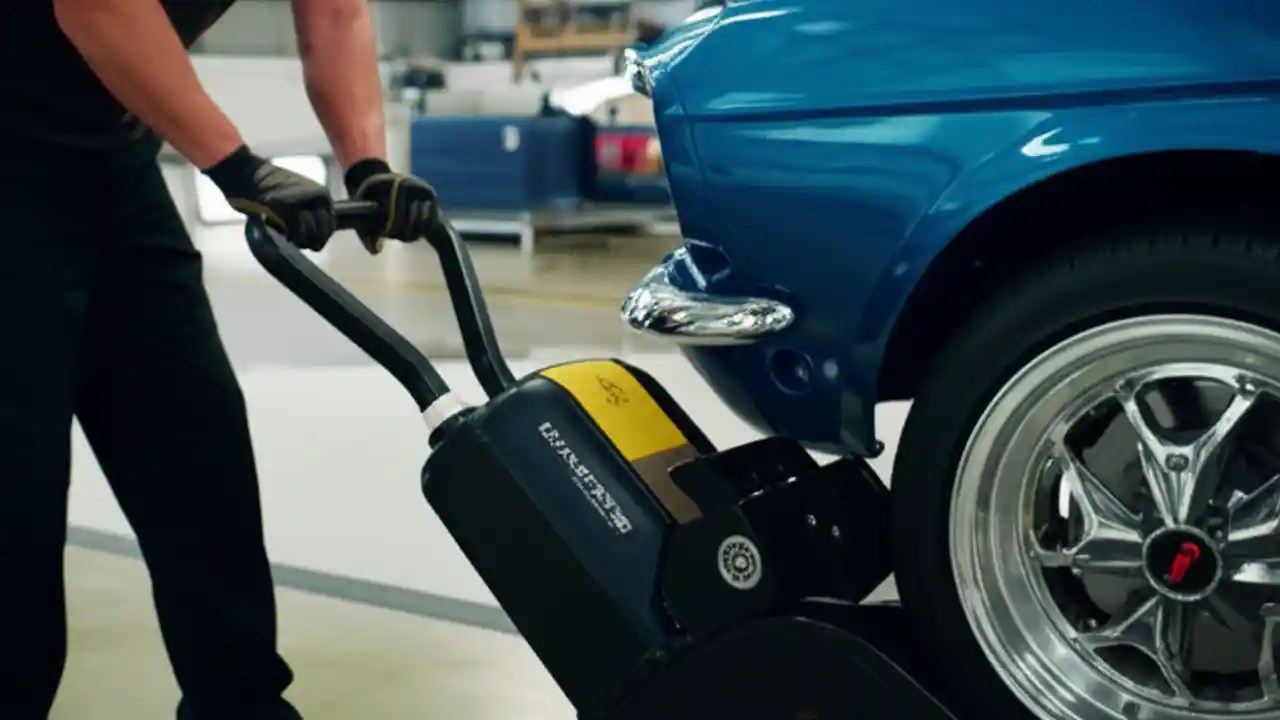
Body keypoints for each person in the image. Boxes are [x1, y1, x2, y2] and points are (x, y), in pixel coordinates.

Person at [0, 2, 437, 718]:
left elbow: (334, 13)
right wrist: (238, 167)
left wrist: (367, 166)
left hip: (112, 168)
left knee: (198, 463)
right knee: (16, 507)